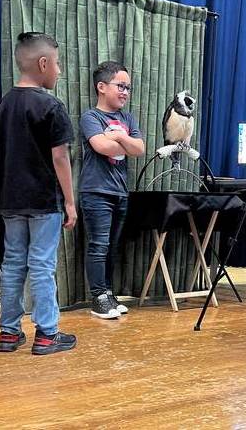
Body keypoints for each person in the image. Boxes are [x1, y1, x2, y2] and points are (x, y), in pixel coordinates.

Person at [0, 32, 78, 355]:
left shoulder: (4, 104)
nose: (58, 70)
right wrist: (70, 201)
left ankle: (9, 332)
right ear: (43, 64)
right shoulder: (51, 106)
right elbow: (60, 157)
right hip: (43, 201)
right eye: (56, 64)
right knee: (42, 265)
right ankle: (47, 332)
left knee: (14, 263)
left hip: (11, 200)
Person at [78, 61, 144, 319]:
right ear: (101, 87)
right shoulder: (90, 117)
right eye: (120, 86)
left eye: (128, 87)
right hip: (95, 191)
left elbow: (139, 150)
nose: (125, 92)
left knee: (112, 246)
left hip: (120, 192)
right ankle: (99, 297)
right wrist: (122, 144)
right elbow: (101, 147)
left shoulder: (127, 118)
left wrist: (118, 138)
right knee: (98, 245)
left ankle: (108, 292)